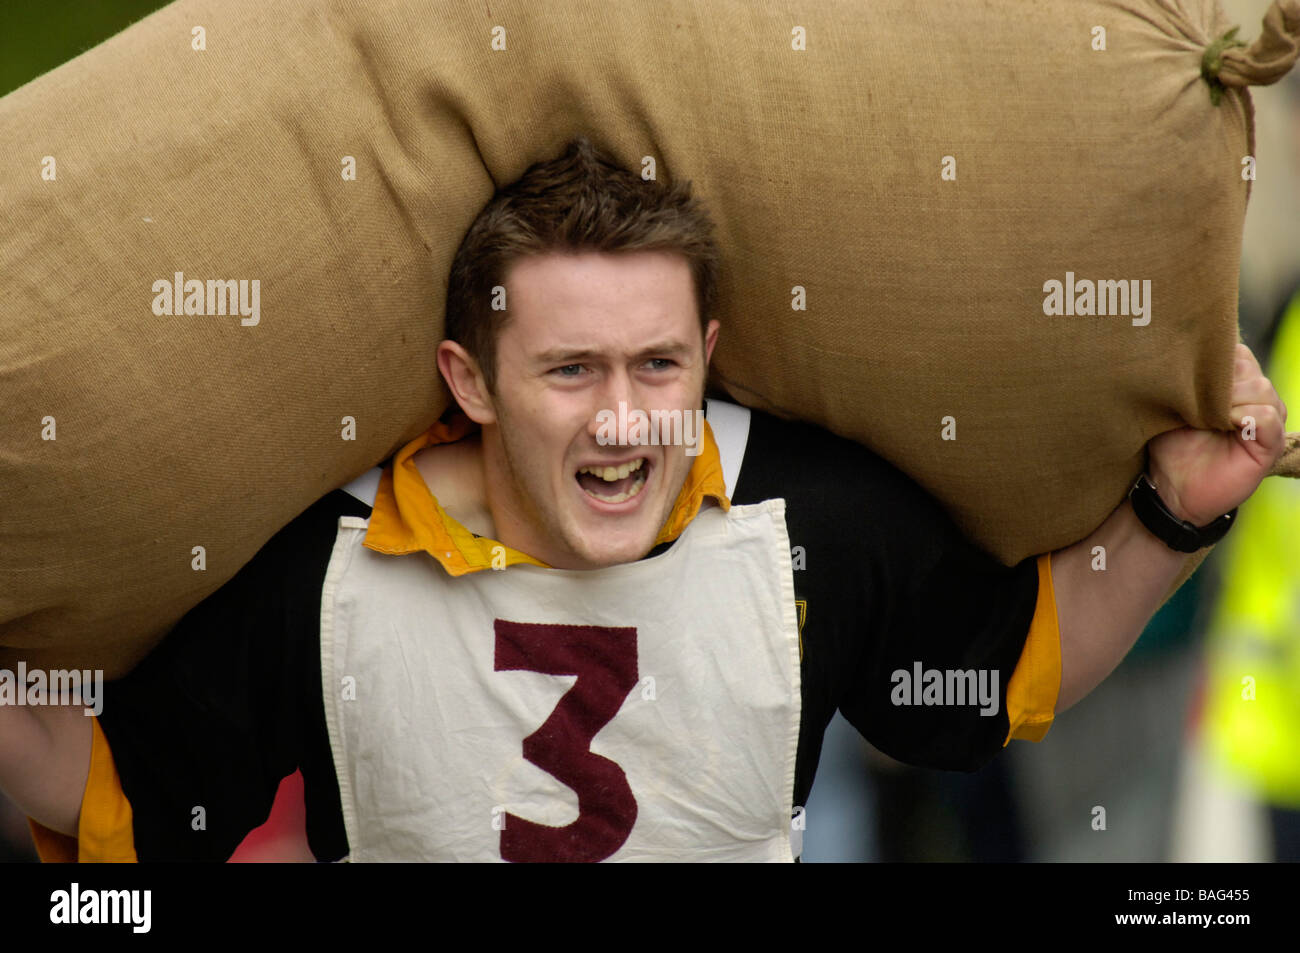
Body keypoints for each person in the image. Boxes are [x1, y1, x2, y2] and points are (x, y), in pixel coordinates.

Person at [0, 136, 1287, 862]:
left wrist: (1176, 516)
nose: (624, 417)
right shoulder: (327, 561)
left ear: (707, 351)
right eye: (570, 369)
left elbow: (1015, 662)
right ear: (471, 380)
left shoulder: (805, 516)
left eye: (656, 363)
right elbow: (113, 785)